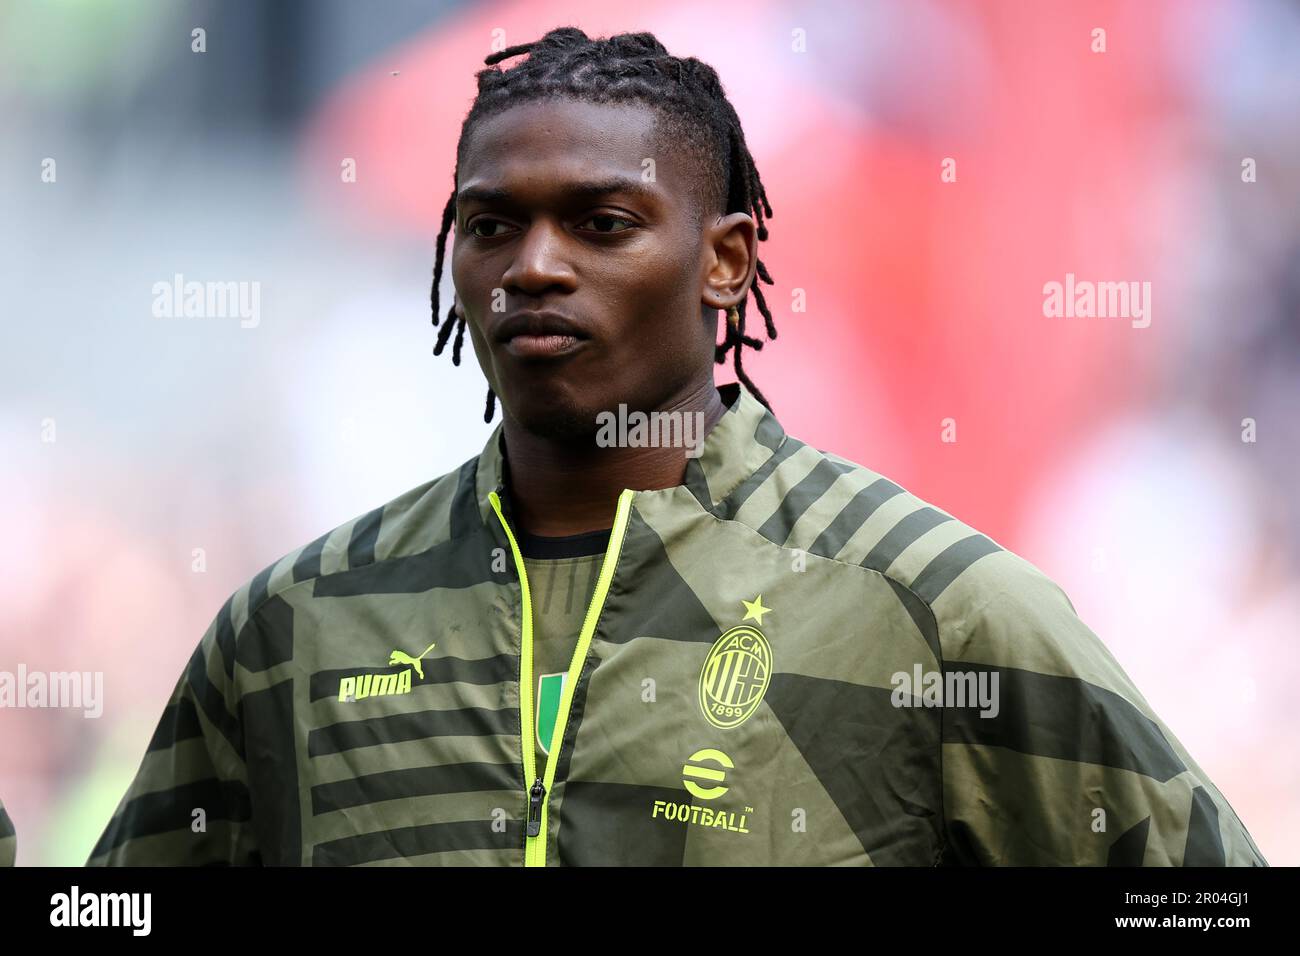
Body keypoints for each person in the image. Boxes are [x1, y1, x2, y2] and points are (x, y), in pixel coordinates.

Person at [88, 27, 1266, 866]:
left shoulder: (930, 602)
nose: (536, 269)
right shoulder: (293, 621)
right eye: (492, 224)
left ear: (727, 261)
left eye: (604, 224)